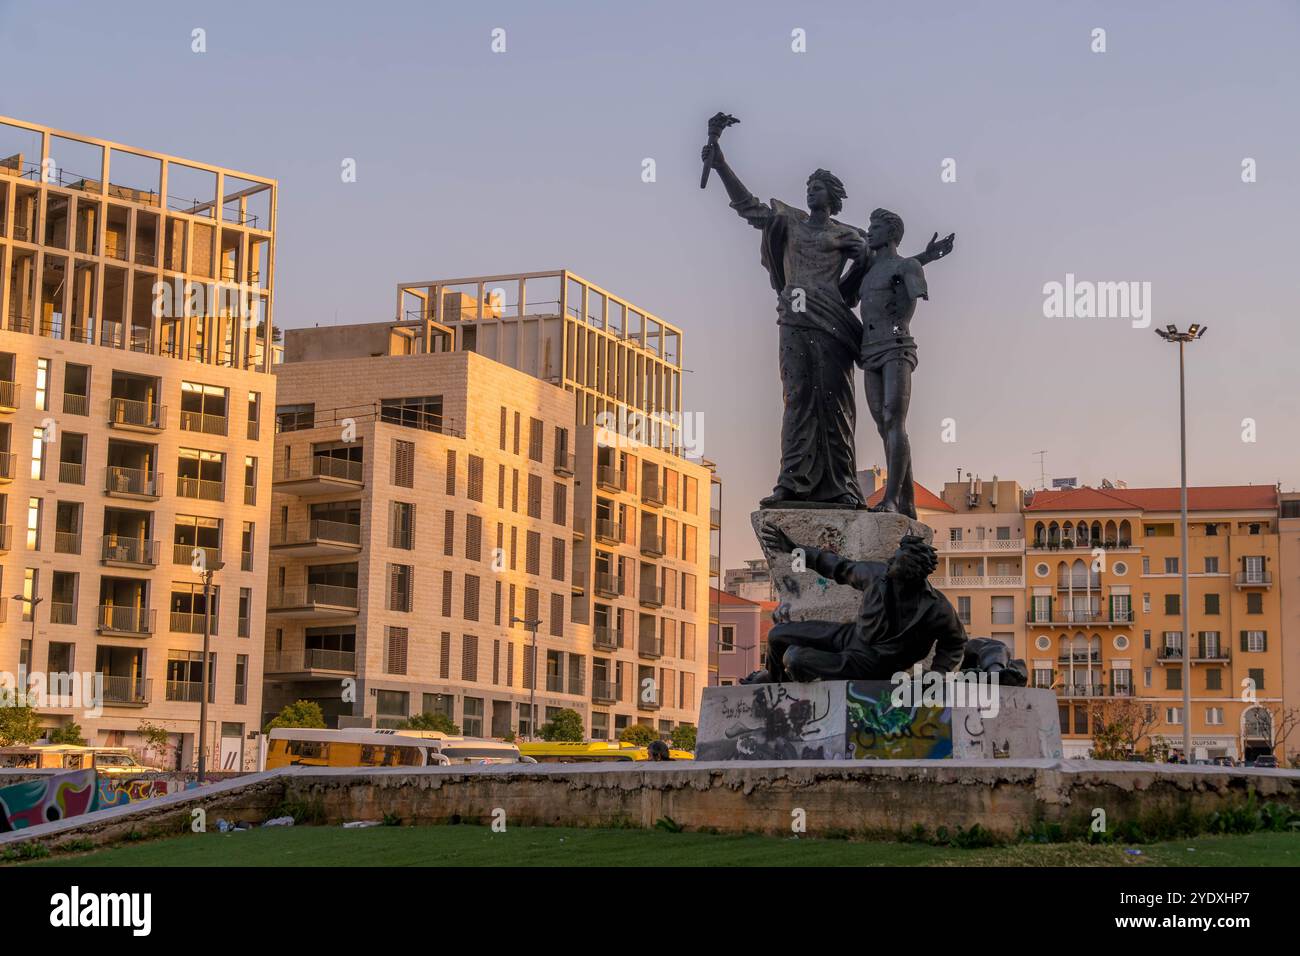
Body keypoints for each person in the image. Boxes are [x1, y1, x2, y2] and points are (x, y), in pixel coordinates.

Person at [701, 121, 952, 508]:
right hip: (796, 318)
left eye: (817, 187)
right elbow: (748, 206)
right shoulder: (788, 220)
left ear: (833, 198)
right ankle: (793, 481)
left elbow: (880, 272)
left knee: (834, 403)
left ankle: (840, 487)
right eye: (808, 187)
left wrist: (922, 259)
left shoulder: (848, 235)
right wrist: (720, 165)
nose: (809, 191)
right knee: (797, 395)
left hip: (832, 322)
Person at [742, 524, 966, 683]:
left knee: (795, 659)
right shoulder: (877, 576)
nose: (888, 562)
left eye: (894, 562)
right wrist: (795, 550)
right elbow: (836, 566)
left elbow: (955, 642)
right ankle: (773, 679)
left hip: (873, 663)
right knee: (777, 635)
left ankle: (788, 678)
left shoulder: (936, 607)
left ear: (909, 575)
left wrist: (938, 674)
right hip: (851, 636)